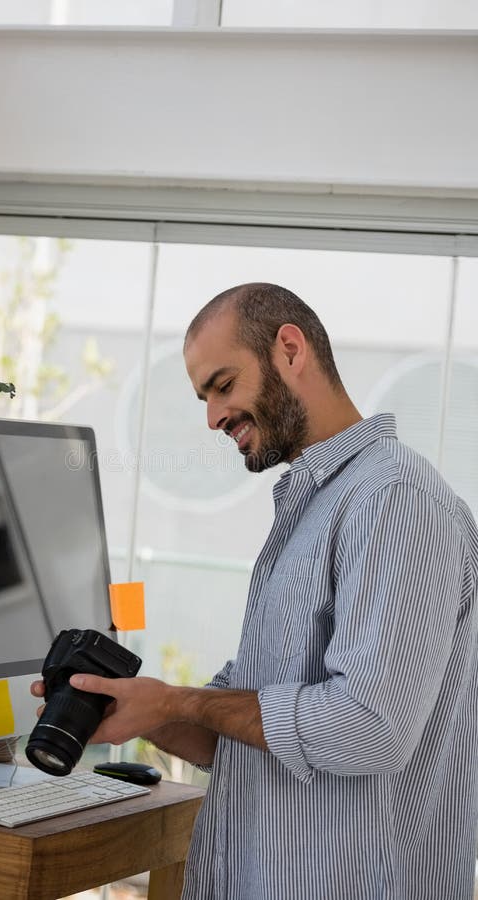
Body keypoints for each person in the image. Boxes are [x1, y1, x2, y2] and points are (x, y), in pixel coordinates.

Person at [32, 282, 478, 899]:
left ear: (290, 350)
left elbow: (371, 727)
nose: (212, 417)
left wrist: (182, 702)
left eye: (222, 385)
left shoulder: (394, 501)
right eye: (203, 397)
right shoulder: (312, 513)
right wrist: (141, 709)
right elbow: (243, 733)